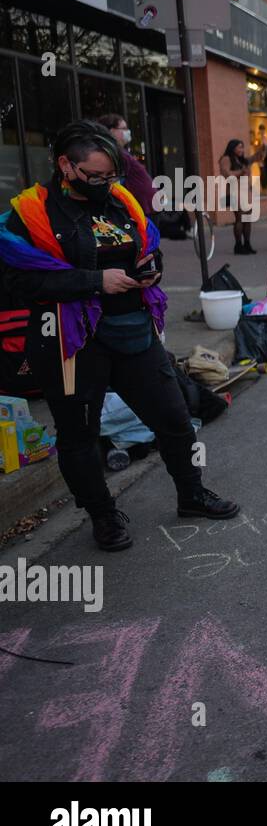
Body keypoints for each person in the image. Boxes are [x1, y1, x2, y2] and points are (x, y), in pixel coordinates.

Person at [0, 121, 240, 551]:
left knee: (174, 417)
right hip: (72, 342)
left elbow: (147, 246)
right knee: (80, 436)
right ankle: (104, 516)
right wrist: (94, 281)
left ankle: (192, 495)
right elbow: (15, 284)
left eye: (111, 175)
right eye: (95, 175)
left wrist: (152, 268)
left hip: (133, 332)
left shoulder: (121, 202)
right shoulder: (30, 215)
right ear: (65, 167)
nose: (105, 183)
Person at [97, 114, 155, 216]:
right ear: (111, 131)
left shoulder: (120, 152)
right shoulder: (117, 153)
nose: (127, 131)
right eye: (123, 128)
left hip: (145, 207)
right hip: (140, 209)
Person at [219, 139, 256, 254]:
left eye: (242, 147)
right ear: (232, 147)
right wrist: (240, 172)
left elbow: (256, 157)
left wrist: (265, 146)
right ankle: (238, 245)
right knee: (239, 218)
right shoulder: (226, 159)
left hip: (246, 192)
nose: (241, 150)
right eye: (239, 147)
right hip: (235, 192)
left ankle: (247, 244)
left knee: (248, 219)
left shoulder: (241, 160)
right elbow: (226, 174)